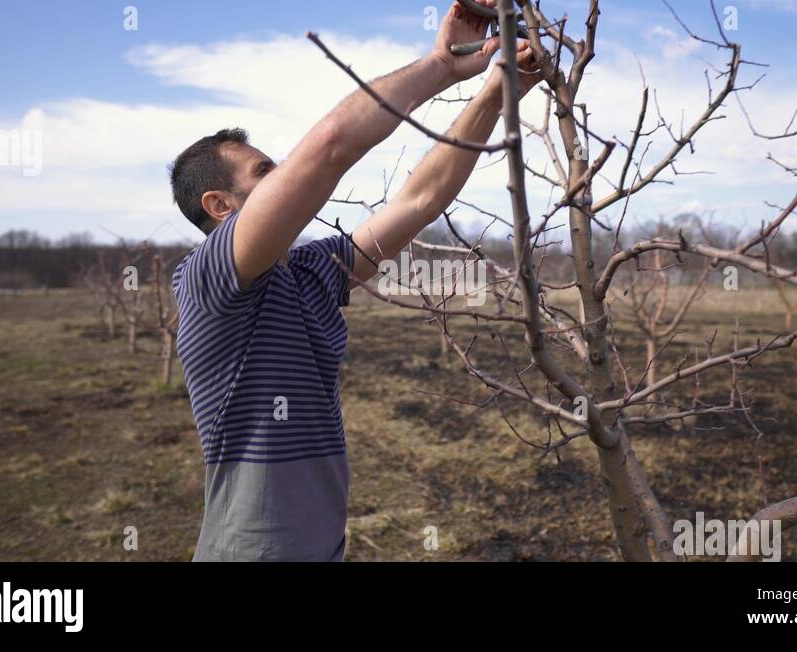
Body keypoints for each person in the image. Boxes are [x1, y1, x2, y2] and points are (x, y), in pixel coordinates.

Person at [167, 0, 542, 561]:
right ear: (219, 205)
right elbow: (330, 147)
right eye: (266, 173)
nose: (284, 177)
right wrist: (441, 65)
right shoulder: (210, 280)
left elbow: (420, 199)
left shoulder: (309, 271)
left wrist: (494, 90)